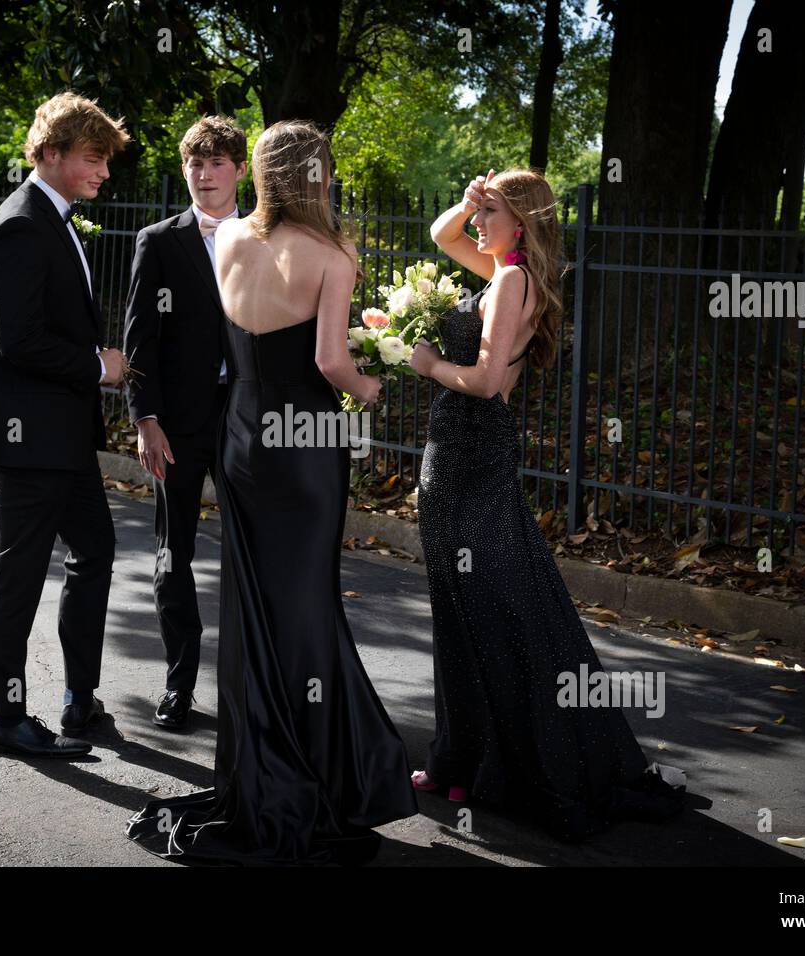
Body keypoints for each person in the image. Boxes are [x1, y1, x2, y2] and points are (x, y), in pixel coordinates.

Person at [125, 120, 417, 864]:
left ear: (258, 171)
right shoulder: (332, 251)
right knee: (308, 602)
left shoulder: (229, 241)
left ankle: (261, 768)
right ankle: (320, 774)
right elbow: (328, 361)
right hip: (307, 445)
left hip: (243, 439)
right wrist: (374, 384)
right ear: (317, 175)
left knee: (252, 607)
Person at [407, 167, 685, 841]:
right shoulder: (507, 269)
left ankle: (495, 764)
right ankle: (464, 762)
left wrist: (427, 365)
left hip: (470, 449)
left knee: (489, 607)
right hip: (462, 451)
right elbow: (442, 232)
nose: (475, 221)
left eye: (489, 211)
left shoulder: (509, 281)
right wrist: (474, 198)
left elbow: (483, 381)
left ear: (521, 222)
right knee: (471, 604)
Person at [0, 92, 130, 758]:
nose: (103, 172)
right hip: (29, 439)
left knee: (94, 552)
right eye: (93, 159)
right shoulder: (21, 225)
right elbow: (20, 340)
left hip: (61, 439)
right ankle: (5, 718)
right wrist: (100, 366)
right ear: (50, 154)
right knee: (21, 575)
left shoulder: (52, 218)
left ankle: (78, 703)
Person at [123, 116, 248, 732]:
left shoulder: (263, 236)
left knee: (250, 553)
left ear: (240, 171)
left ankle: (252, 690)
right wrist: (145, 419)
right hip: (176, 423)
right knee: (175, 554)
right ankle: (178, 687)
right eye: (195, 164)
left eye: (217, 162)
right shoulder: (159, 241)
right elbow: (139, 337)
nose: (204, 174)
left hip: (248, 421)